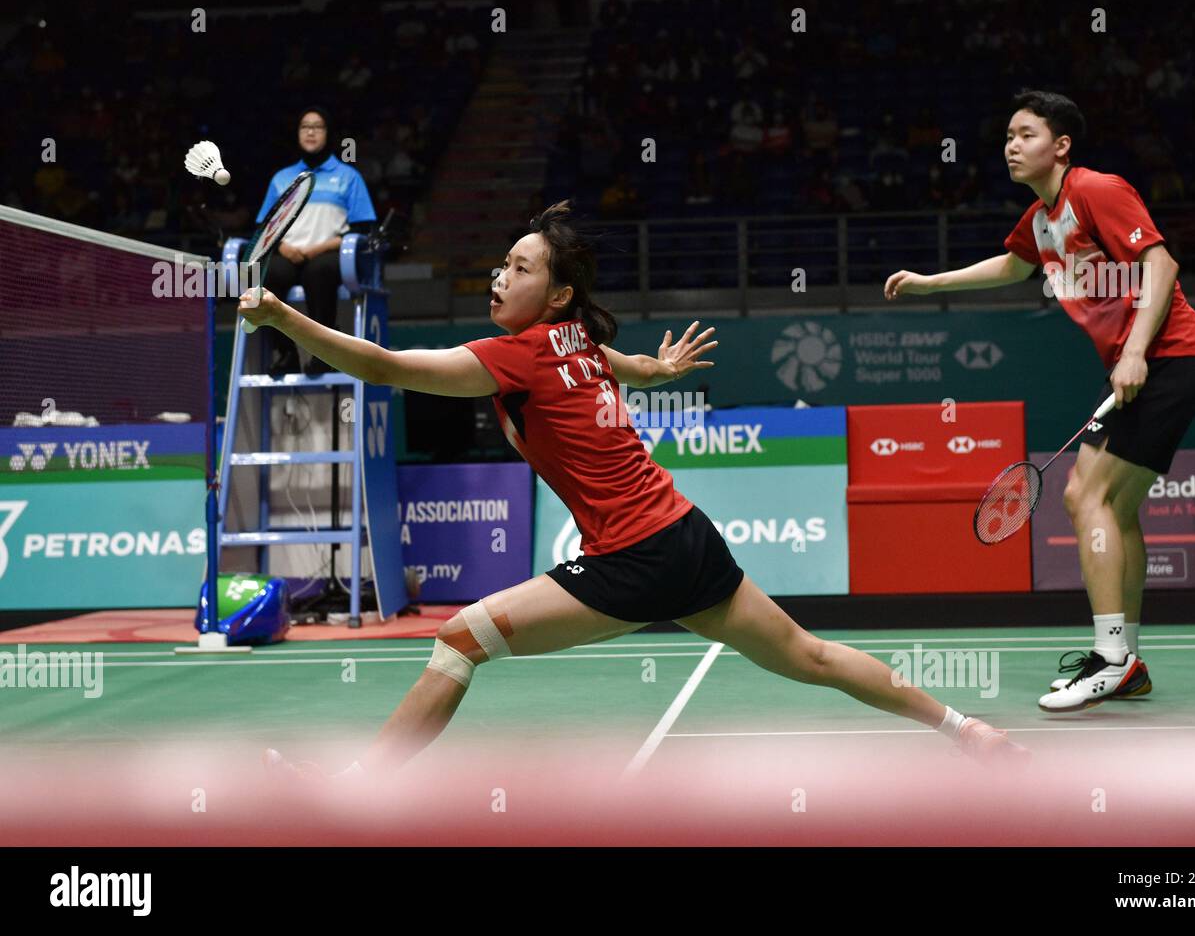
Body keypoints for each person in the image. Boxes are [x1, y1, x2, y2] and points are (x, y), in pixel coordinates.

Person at [247, 200, 1028, 780]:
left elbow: (385, 368)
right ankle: (968, 731)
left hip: (633, 555)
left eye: (520, 267)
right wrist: (656, 369)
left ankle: (351, 797)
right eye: (503, 262)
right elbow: (615, 361)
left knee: (461, 638)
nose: (500, 274)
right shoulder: (576, 339)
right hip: (687, 535)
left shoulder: (515, 356)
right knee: (810, 655)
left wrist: (283, 313)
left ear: (553, 296)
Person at [885, 91, 1195, 712]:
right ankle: (1127, 660)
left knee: (1086, 496)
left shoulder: (1097, 189)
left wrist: (1138, 351)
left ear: (1060, 146)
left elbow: (1161, 264)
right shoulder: (1043, 218)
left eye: (1026, 134)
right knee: (1109, 506)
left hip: (1167, 359)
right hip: (1144, 364)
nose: (1012, 145)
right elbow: (1014, 267)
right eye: (1008, 135)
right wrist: (934, 282)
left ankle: (1113, 658)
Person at [256, 105, 377, 377]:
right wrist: (283, 248)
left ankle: (324, 354)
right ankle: (285, 353)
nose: (310, 131)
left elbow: (362, 228)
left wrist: (318, 249)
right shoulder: (282, 178)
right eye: (304, 126)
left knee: (318, 273)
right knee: (268, 275)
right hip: (287, 253)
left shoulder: (348, 176)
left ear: (328, 133)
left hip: (328, 254)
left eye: (317, 126)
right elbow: (265, 226)